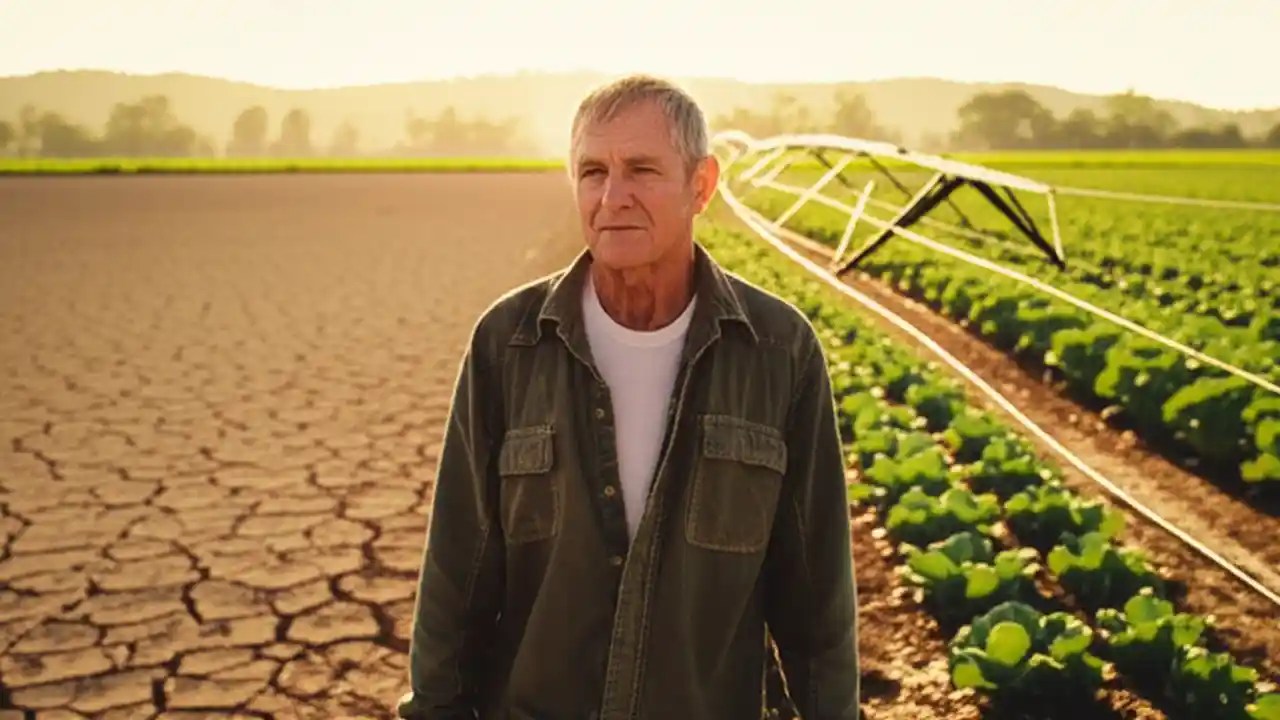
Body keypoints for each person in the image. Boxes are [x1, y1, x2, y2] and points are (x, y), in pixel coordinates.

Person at [396, 74, 859, 720]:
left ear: (701, 186)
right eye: (592, 172)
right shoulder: (508, 346)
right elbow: (456, 577)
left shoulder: (779, 352)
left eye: (641, 169)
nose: (613, 196)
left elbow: (817, 601)